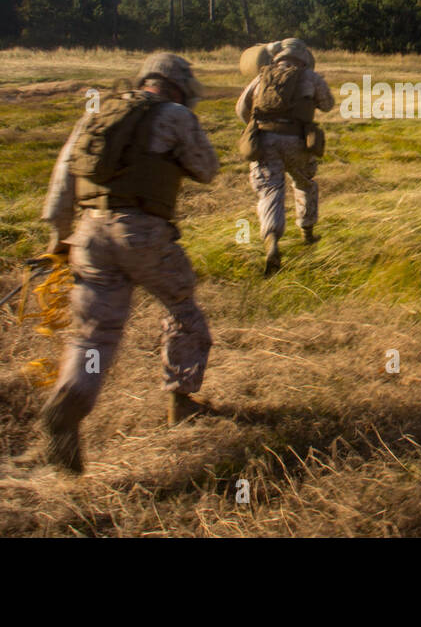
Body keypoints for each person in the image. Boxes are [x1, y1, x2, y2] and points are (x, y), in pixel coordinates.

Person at [33, 53, 219, 473]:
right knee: (183, 309)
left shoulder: (98, 112)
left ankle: (70, 401)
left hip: (89, 234)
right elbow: (207, 169)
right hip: (142, 232)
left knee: (94, 334)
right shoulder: (174, 115)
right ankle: (181, 400)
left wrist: (58, 238)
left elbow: (63, 176)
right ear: (181, 88)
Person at [235, 39, 335, 276]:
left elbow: (241, 108)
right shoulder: (310, 77)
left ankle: (272, 240)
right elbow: (328, 104)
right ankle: (307, 232)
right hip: (297, 142)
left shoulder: (262, 76)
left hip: (265, 141)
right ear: (305, 59)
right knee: (304, 184)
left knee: (270, 190)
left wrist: (258, 125)